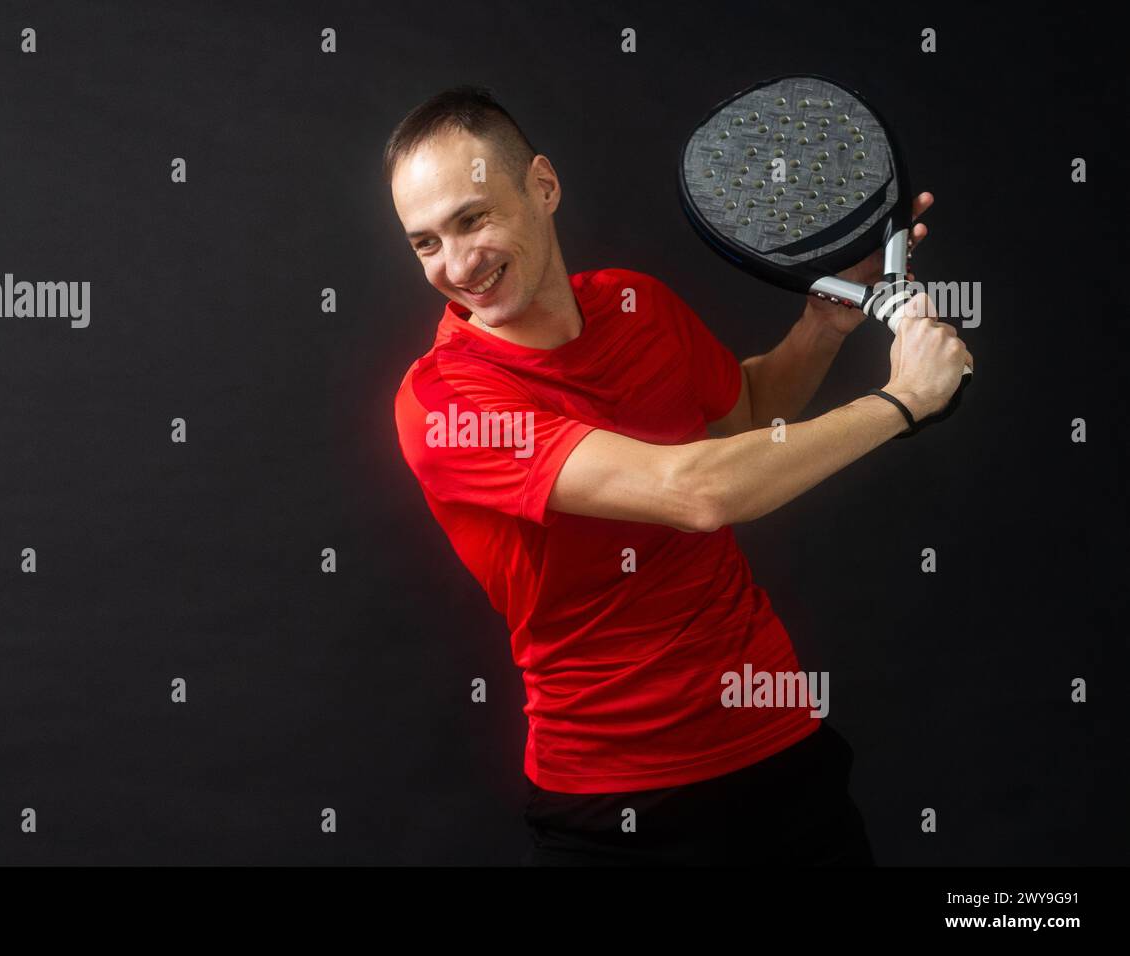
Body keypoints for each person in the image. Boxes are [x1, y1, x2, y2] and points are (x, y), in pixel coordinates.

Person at [385, 86, 972, 866]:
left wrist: (826, 319)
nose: (457, 264)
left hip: (778, 743)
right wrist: (903, 401)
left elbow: (751, 412)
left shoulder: (639, 304)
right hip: (618, 803)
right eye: (426, 242)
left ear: (544, 187)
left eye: (472, 218)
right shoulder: (444, 401)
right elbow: (694, 492)